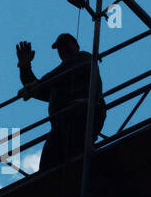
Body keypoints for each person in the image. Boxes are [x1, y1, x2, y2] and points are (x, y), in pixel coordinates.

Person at [16, 33, 105, 172]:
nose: (63, 50)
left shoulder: (84, 58)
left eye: (66, 45)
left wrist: (34, 86)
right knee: (47, 165)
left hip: (82, 115)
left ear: (76, 46)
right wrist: (24, 66)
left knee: (75, 159)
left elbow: (41, 85)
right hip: (63, 123)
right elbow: (39, 89)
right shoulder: (59, 81)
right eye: (60, 48)